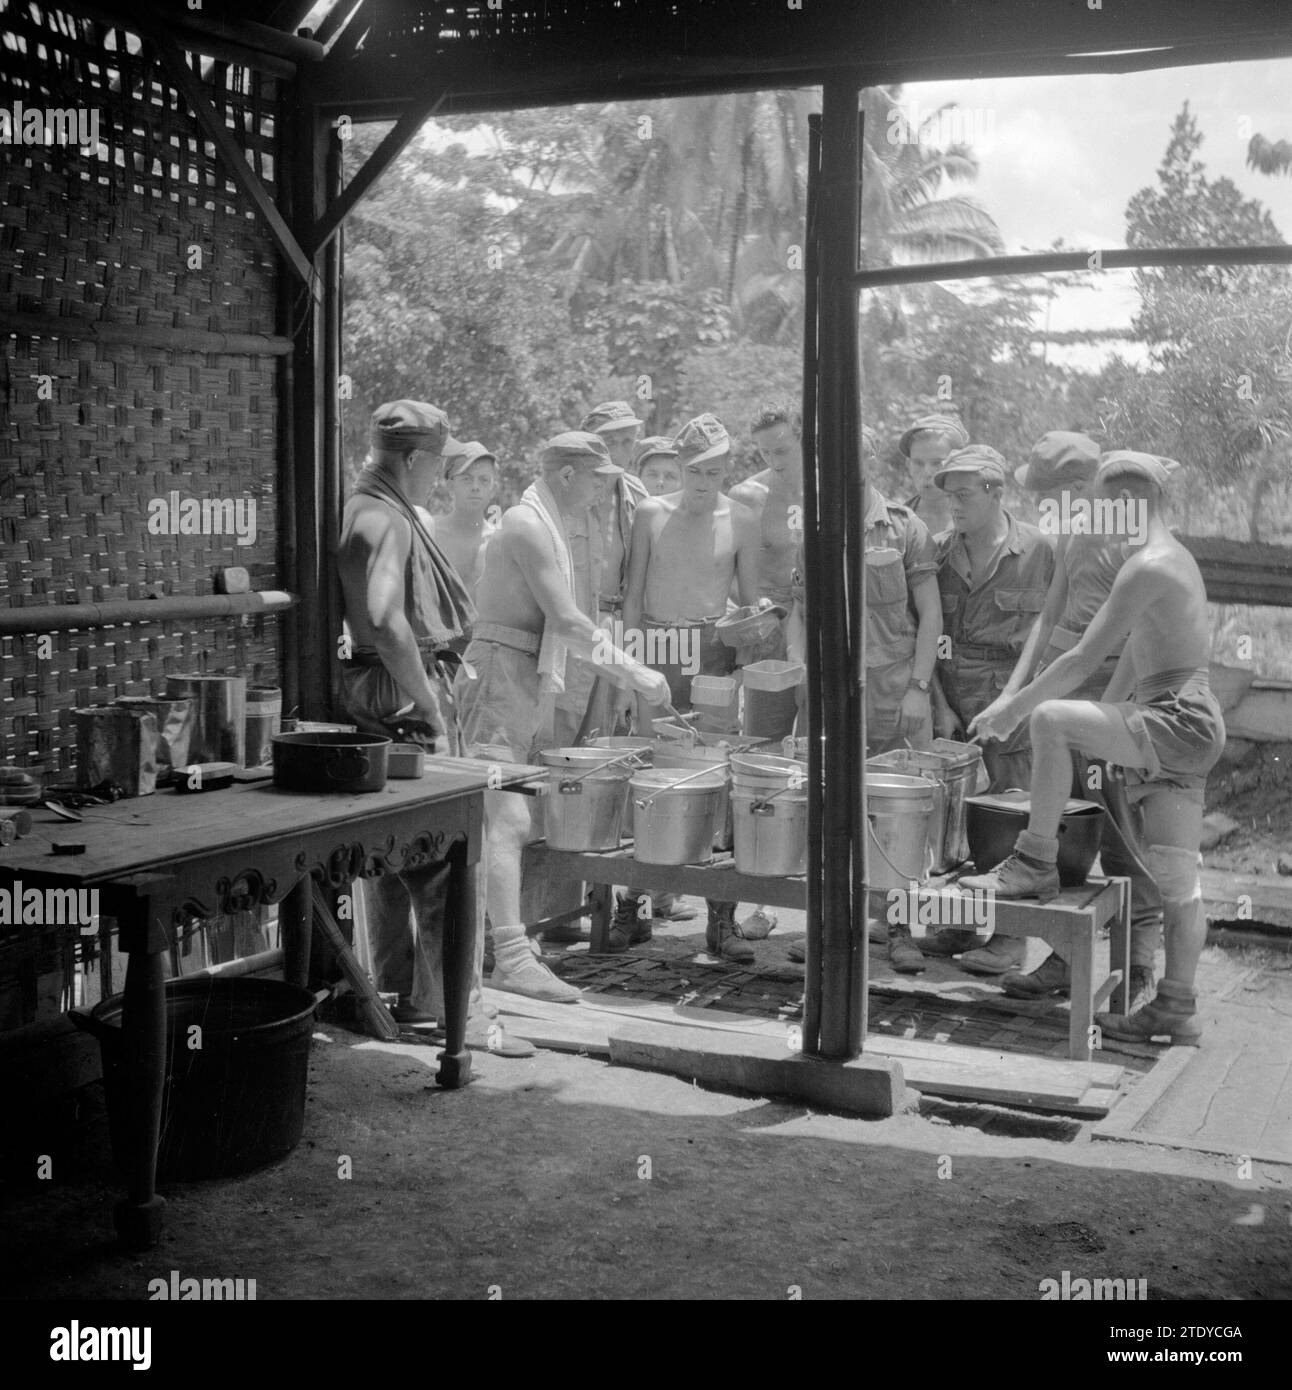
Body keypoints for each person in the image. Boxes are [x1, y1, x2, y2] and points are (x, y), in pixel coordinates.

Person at [962, 452, 1224, 1045]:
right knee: (1181, 881)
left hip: (1174, 716)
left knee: (1051, 718)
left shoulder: (1146, 566)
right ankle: (1177, 1008)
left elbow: (1080, 656)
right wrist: (1106, 720)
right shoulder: (1169, 557)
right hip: (1186, 724)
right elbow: (1136, 650)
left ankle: (1031, 862)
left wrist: (1011, 709)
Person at [336, 400, 529, 1056]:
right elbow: (386, 617)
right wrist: (427, 701)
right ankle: (458, 1014)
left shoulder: (360, 506)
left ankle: (396, 999)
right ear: (412, 460)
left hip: (370, 702)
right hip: (398, 707)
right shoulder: (385, 517)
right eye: (435, 469)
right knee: (451, 859)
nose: (438, 483)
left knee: (386, 863)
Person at [455, 431, 673, 993]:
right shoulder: (527, 525)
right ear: (567, 475)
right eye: (599, 479)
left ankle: (505, 945)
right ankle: (508, 958)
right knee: (504, 821)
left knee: (517, 821)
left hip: (523, 675)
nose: (604, 490)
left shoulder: (553, 524)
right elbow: (572, 624)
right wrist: (639, 674)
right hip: (499, 673)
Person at [980, 431, 1165, 1010]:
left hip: (1118, 691)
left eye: (1054, 493)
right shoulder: (1076, 535)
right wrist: (1012, 699)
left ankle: (1137, 968)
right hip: (1066, 687)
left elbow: (1139, 640)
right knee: (1071, 828)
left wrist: (1104, 716)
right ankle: (1064, 958)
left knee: (1125, 834)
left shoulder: (1141, 543)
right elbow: (1048, 620)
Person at [785, 425, 941, 973]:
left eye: (855, 453)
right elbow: (800, 611)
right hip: (832, 689)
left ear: (872, 460)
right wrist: (803, 673)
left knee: (896, 812)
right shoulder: (816, 527)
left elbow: (931, 615)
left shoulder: (904, 527)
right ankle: (829, 924)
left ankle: (899, 930)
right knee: (828, 807)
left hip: (893, 689)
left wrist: (920, 688)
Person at [617, 413, 763, 962]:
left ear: (728, 469)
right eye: (696, 473)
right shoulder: (652, 513)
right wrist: (631, 670)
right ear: (679, 468)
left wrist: (745, 666)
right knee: (654, 774)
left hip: (713, 650)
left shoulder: (743, 519)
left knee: (717, 777)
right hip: (656, 644)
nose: (705, 484)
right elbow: (632, 596)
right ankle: (634, 905)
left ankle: (720, 919)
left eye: (716, 472)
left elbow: (748, 607)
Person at [920, 445, 1055, 974]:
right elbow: (923, 633)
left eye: (964, 494)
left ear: (998, 492)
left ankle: (1009, 941)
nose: (953, 504)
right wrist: (938, 703)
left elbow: (1045, 639)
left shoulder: (1038, 552)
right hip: (952, 697)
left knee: (1010, 817)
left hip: (1010, 698)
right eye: (948, 494)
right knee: (951, 820)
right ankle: (955, 924)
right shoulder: (935, 551)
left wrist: (1015, 702)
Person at [432, 440, 500, 603]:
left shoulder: (500, 543)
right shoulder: (430, 536)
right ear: (450, 486)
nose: (475, 487)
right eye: (466, 479)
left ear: (493, 490)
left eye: (484, 480)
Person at [899, 412, 970, 538]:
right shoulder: (897, 524)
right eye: (918, 463)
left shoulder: (979, 521)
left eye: (937, 463)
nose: (927, 473)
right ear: (908, 465)